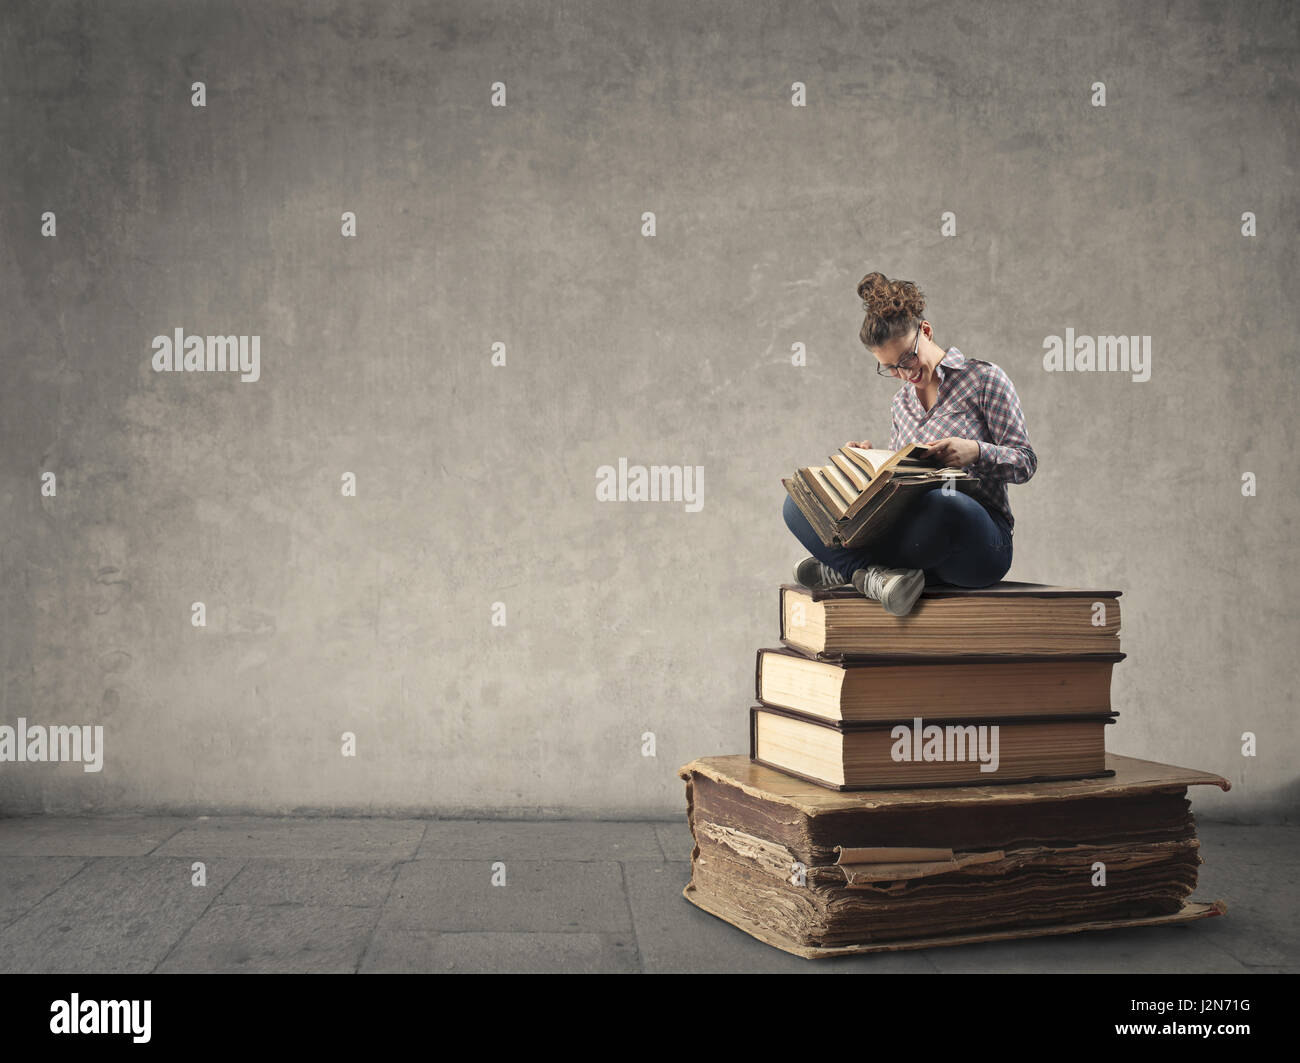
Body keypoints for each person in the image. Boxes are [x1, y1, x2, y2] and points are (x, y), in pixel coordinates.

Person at [782, 272, 1037, 616]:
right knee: (797, 502)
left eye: (907, 359)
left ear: (926, 332)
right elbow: (901, 489)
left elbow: (1024, 462)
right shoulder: (901, 404)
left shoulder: (985, 379)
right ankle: (868, 573)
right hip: (919, 544)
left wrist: (975, 451)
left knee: (944, 502)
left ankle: (847, 567)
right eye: (890, 368)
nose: (904, 373)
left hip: (977, 541)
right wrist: (868, 466)